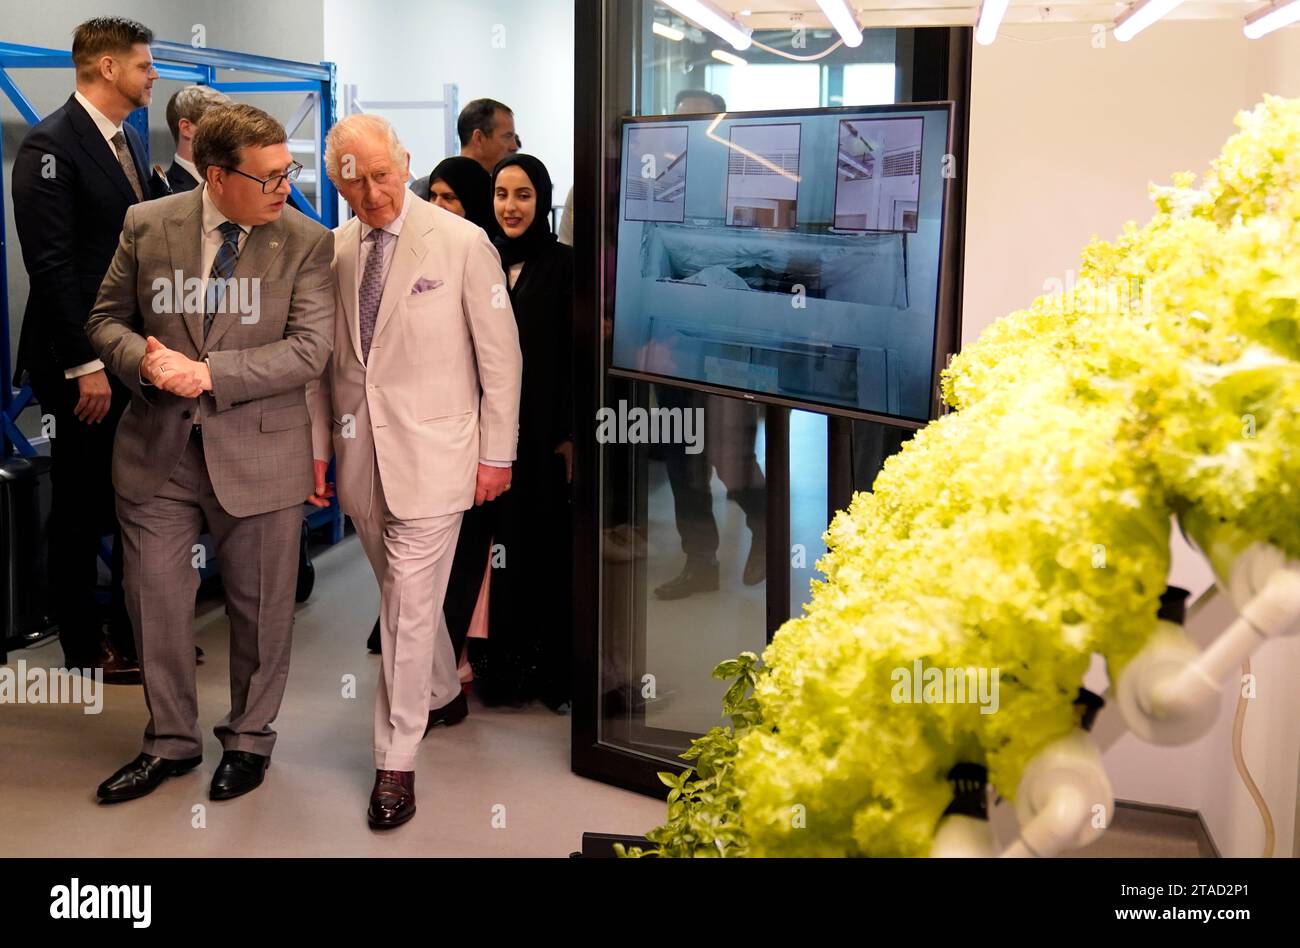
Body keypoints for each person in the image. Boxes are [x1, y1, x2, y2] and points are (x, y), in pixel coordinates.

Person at [86, 103, 335, 804]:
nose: (286, 188)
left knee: (260, 611)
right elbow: (104, 319)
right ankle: (169, 742)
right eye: (271, 178)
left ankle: (250, 740)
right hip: (157, 449)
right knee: (156, 605)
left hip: (259, 453)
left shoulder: (307, 242)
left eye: (288, 173)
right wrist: (145, 362)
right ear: (216, 175)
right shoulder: (148, 224)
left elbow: (311, 349)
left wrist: (209, 375)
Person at [307, 114, 522, 829]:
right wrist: (318, 448)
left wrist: (498, 453)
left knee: (401, 609)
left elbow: (501, 358)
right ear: (335, 183)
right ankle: (444, 692)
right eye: (352, 180)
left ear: (404, 162)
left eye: (380, 174)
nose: (371, 193)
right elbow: (323, 365)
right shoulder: (332, 250)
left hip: (438, 457)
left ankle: (394, 762)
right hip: (360, 457)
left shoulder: (462, 242)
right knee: (406, 597)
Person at [11, 16, 168, 685]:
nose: (153, 74)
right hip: (80, 364)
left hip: (127, 356)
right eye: (143, 64)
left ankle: (135, 632)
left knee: (133, 499)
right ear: (107, 67)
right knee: (79, 507)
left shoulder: (125, 140)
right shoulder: (49, 146)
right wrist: (85, 367)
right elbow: (52, 270)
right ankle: (82, 647)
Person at [365, 154, 504, 659]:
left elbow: (500, 363)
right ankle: (443, 681)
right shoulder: (377, 248)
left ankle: (403, 732)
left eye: (453, 197)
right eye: (436, 196)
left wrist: (496, 453)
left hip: (467, 446)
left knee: (434, 579)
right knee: (411, 587)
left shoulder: (473, 249)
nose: (441, 206)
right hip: (395, 447)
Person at [654, 90, 767, 600]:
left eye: (700, 125)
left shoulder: (746, 186)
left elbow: (766, 260)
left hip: (727, 348)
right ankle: (700, 561)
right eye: (681, 125)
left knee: (729, 453)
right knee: (683, 458)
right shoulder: (659, 186)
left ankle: (765, 524)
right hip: (674, 346)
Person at [473, 153, 574, 710]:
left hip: (538, 436)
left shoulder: (564, 265)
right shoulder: (479, 259)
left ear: (543, 200)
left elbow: (572, 358)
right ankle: (501, 673)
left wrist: (568, 435)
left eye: (524, 195)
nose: (510, 207)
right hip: (486, 437)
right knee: (494, 552)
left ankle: (550, 671)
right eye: (502, 194)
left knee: (543, 550)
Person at [410, 98, 518, 199]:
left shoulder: (499, 194)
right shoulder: (423, 193)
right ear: (479, 138)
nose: (514, 146)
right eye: (507, 137)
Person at [163, 84, 231, 192]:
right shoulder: (165, 192)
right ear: (186, 128)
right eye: (215, 127)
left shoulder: (231, 181)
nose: (225, 135)